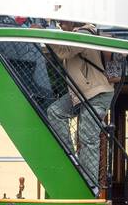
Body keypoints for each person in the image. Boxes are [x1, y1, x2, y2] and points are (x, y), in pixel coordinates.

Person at [48, 22, 117, 182]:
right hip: (83, 92)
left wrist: (43, 35)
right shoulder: (78, 35)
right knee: (55, 112)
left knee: (87, 137)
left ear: (73, 20)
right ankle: (70, 156)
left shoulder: (84, 34)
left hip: (97, 92)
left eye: (63, 22)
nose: (60, 25)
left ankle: (90, 183)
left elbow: (63, 52)